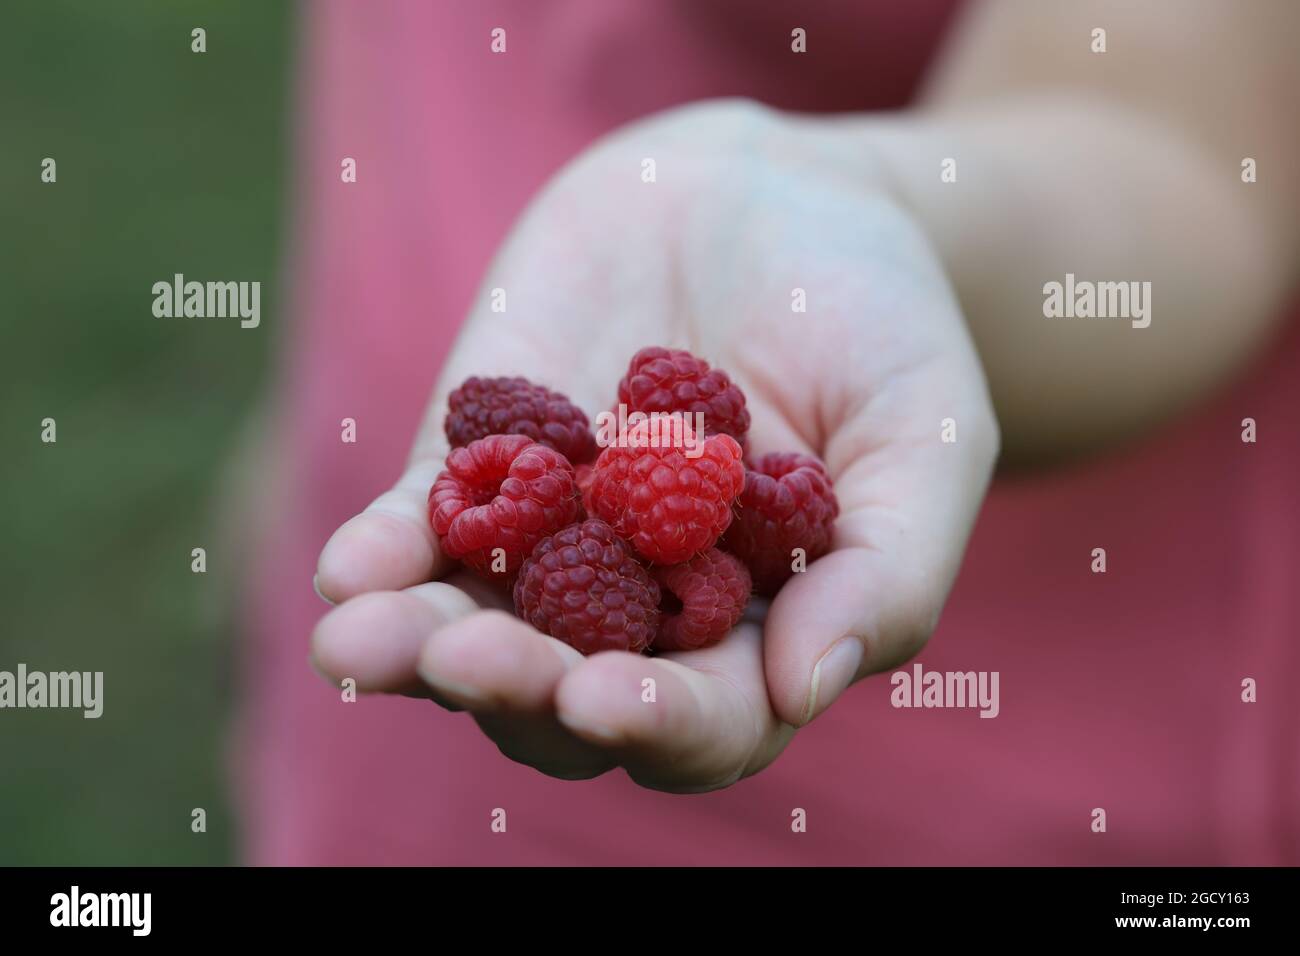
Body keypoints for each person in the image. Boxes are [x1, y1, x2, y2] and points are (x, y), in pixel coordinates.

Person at [239, 0, 1300, 864]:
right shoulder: (538, 499)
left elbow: (1171, 144)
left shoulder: (683, 520)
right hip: (411, 737)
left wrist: (882, 207)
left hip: (993, 786)